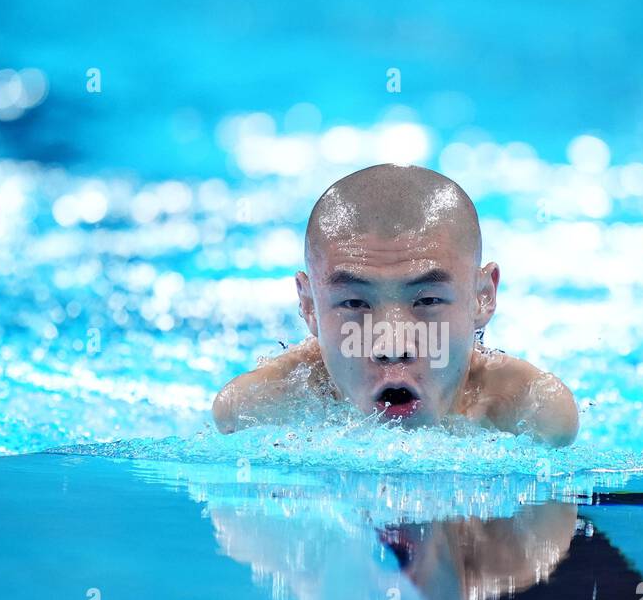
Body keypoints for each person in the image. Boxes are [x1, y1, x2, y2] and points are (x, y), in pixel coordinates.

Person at [213, 163, 578, 446]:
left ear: (483, 296)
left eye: (428, 300)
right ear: (309, 306)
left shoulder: (531, 416)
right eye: (354, 302)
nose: (392, 346)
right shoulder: (257, 414)